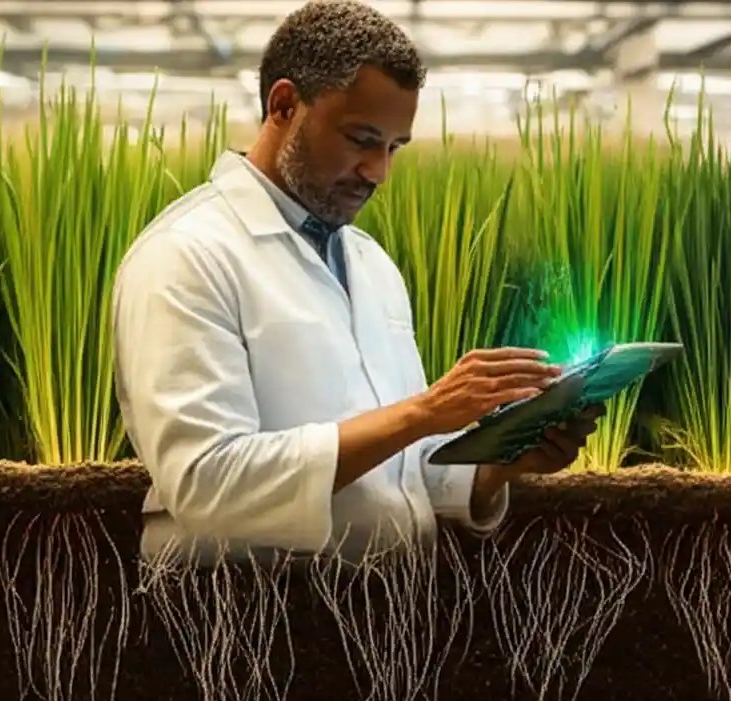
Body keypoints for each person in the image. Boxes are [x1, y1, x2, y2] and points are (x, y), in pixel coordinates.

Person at [112, 0, 603, 565]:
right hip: (244, 615)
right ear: (284, 105)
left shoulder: (371, 265)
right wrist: (423, 411)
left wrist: (498, 463)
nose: (379, 172)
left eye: (394, 147)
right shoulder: (188, 255)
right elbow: (206, 483)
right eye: (361, 139)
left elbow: (397, 471)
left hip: (386, 616)